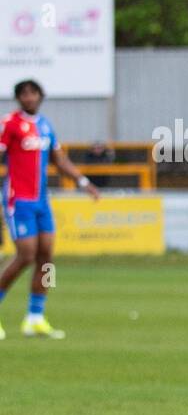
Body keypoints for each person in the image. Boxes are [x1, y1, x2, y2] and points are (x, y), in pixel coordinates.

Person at [0, 79, 101, 340]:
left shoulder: (45, 126)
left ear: (40, 96)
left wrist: (83, 182)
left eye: (33, 93)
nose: (29, 98)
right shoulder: (10, 124)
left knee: (47, 258)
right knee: (25, 255)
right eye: (24, 94)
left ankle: (36, 317)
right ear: (19, 98)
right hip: (18, 199)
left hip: (41, 202)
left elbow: (60, 159)